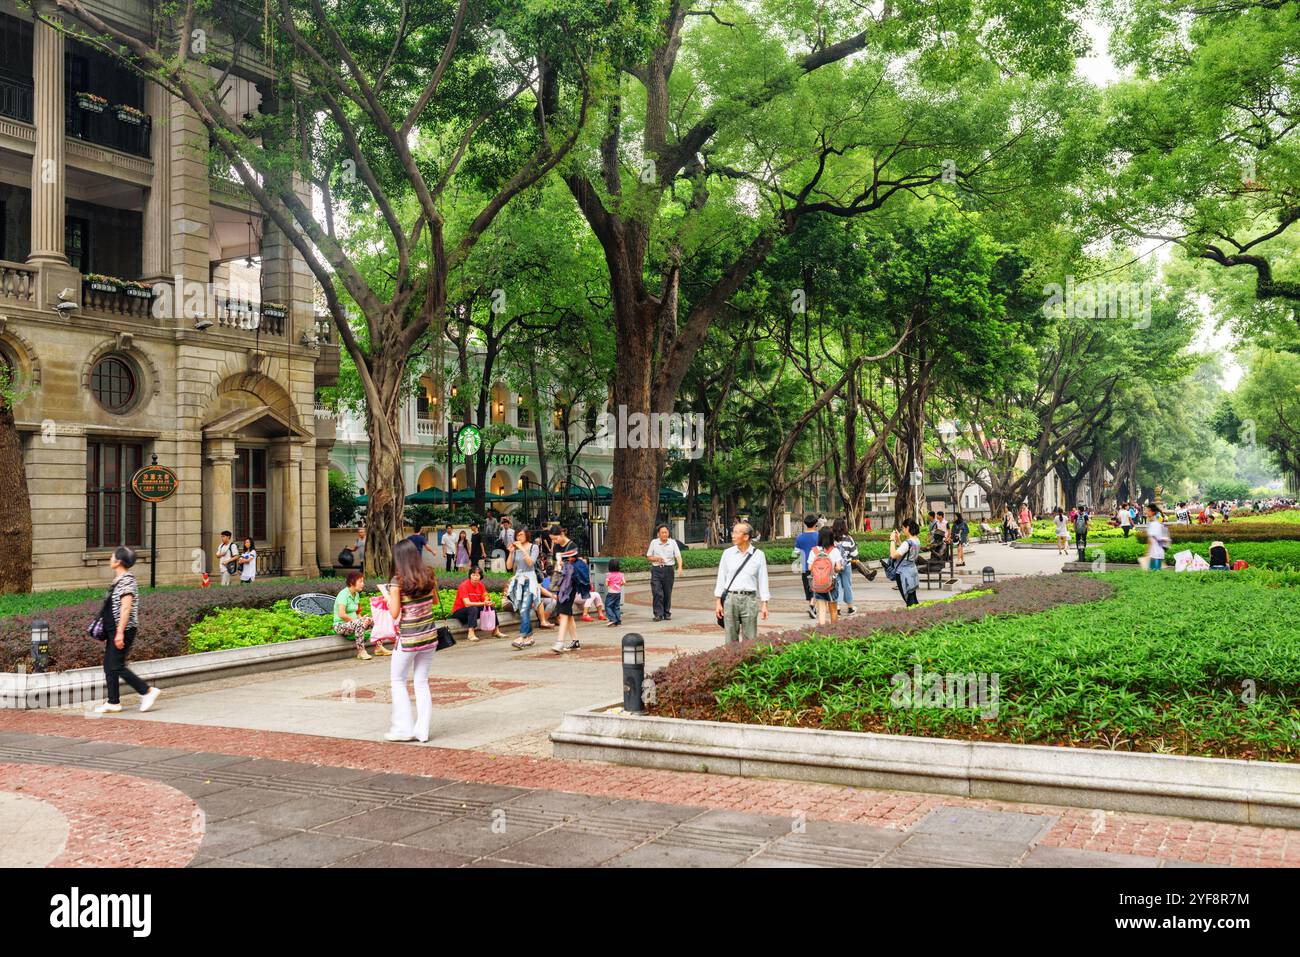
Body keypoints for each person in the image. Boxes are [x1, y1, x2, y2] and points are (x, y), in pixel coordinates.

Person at [383, 540, 440, 743]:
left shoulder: (397, 581)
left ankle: (403, 728)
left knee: (398, 680)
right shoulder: (429, 575)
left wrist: (389, 599)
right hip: (430, 637)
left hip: (409, 639)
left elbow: (395, 613)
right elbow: (433, 601)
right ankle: (422, 731)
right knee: (421, 682)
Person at [93, 547, 162, 714]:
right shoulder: (119, 580)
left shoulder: (127, 581)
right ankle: (113, 702)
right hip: (113, 629)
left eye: (112, 557)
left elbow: (126, 608)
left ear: (118, 562)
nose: (110, 558)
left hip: (122, 629)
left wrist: (120, 632)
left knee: (116, 665)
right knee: (109, 666)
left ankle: (147, 691)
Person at [714, 521, 770, 644]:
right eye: (733, 532)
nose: (733, 535)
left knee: (750, 638)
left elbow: (763, 579)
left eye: (736, 532)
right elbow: (721, 578)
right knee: (730, 637)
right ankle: (732, 661)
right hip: (730, 599)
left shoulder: (758, 555)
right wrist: (718, 602)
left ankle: (748, 661)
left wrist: (764, 603)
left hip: (749, 599)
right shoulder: (727, 554)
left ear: (746, 537)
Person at [333, 570, 381, 660]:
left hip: (354, 623)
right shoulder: (343, 594)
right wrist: (358, 621)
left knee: (372, 621)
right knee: (359, 623)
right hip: (340, 625)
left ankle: (379, 648)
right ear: (352, 582)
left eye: (363, 581)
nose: (363, 584)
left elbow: (357, 612)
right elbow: (341, 614)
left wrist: (362, 619)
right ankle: (361, 652)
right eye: (360, 581)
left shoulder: (356, 595)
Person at [507, 528, 541, 648]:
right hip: (518, 581)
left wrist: (521, 548)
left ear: (527, 535)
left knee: (524, 608)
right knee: (522, 609)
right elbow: (509, 566)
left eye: (521, 535)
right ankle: (530, 637)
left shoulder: (533, 547)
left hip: (529, 581)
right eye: (517, 535)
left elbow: (530, 563)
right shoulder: (516, 549)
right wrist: (511, 552)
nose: (518, 537)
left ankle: (521, 637)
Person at [551, 527, 583, 653]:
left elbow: (573, 565)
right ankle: (575, 641)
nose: (554, 541)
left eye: (555, 538)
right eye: (552, 539)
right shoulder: (556, 547)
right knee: (567, 613)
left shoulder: (572, 546)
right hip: (561, 582)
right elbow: (556, 564)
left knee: (564, 611)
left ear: (562, 534)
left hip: (571, 583)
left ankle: (560, 642)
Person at [451, 566, 502, 641]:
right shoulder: (464, 586)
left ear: (480, 577)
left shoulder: (481, 585)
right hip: (459, 611)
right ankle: (471, 634)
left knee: (491, 608)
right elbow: (467, 604)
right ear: (470, 576)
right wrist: (483, 603)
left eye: (477, 575)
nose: (475, 577)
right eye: (473, 575)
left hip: (473, 610)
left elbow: (486, 598)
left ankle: (496, 631)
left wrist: (489, 603)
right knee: (472, 609)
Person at [646, 524, 683, 621]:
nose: (664, 534)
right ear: (658, 534)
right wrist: (656, 558)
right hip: (656, 570)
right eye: (662, 533)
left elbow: (678, 556)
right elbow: (649, 557)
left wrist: (679, 567)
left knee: (667, 592)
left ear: (668, 533)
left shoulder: (672, 543)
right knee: (657, 592)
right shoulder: (654, 543)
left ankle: (666, 613)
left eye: (666, 532)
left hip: (668, 570)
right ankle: (658, 614)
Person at [807, 527, 843, 626]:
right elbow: (839, 567)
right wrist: (833, 570)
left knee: (821, 610)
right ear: (831, 537)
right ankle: (834, 630)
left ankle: (822, 631)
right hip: (831, 584)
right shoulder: (834, 551)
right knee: (833, 610)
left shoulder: (813, 551)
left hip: (818, 585)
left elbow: (810, 568)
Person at [888, 521, 921, 607]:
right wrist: (898, 540)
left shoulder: (908, 543)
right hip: (912, 572)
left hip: (904, 574)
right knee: (913, 597)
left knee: (909, 601)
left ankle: (912, 617)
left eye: (903, 528)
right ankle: (919, 614)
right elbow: (905, 551)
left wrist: (892, 540)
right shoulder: (916, 540)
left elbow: (893, 555)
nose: (903, 530)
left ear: (908, 528)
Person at [794, 513, 821, 620]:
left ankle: (812, 606)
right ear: (816, 524)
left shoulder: (800, 537)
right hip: (818, 566)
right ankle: (812, 606)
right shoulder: (819, 536)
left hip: (805, 567)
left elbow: (796, 552)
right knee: (818, 587)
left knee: (809, 587)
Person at [832, 518, 858, 616]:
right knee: (847, 585)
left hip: (835, 566)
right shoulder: (849, 538)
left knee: (836, 586)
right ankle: (850, 607)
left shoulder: (831, 538)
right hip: (846, 565)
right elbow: (855, 554)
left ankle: (837, 608)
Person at [1144, 504, 1171, 571]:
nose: (1146, 512)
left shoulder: (1154, 524)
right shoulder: (1154, 523)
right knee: (1155, 574)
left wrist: (1147, 552)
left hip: (1155, 554)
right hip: (1156, 554)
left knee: (1154, 574)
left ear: (1152, 512)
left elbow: (1151, 540)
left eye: (1147, 510)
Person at [604, 558, 625, 627]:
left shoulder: (609, 575)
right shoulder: (621, 574)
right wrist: (619, 585)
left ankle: (612, 619)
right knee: (616, 606)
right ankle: (618, 621)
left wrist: (611, 586)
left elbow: (606, 584)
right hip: (618, 592)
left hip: (611, 592)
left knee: (608, 606)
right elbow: (624, 582)